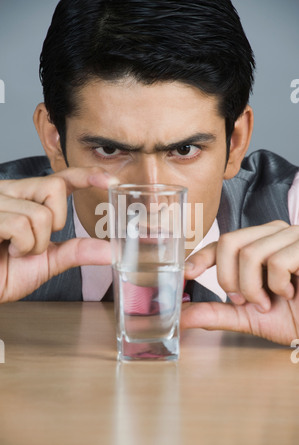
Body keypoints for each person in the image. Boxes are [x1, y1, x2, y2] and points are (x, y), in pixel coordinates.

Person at [0, 0, 298, 346]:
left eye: (184, 150)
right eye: (109, 150)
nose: (152, 199)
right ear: (55, 141)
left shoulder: (291, 208)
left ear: (235, 142)